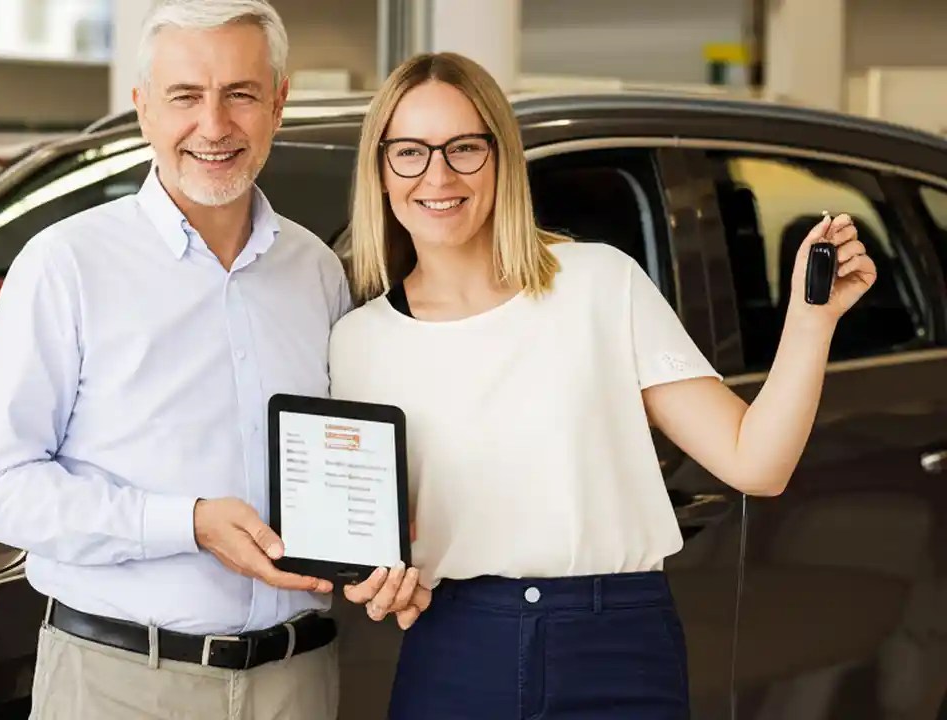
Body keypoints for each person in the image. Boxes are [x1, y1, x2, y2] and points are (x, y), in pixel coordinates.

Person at [330, 52, 876, 719]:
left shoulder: (599, 283)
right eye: (410, 152)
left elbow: (756, 462)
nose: (438, 175)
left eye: (464, 148)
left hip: (618, 644)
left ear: (501, 159)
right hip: (457, 648)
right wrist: (381, 582)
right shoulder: (358, 344)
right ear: (381, 170)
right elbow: (375, 539)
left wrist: (811, 320)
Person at [0, 1, 352, 718]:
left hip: (297, 680)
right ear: (142, 109)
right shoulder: (67, 263)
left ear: (279, 104)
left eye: (240, 94)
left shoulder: (316, 270)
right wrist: (187, 523)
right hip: (122, 683)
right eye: (185, 96)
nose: (214, 125)